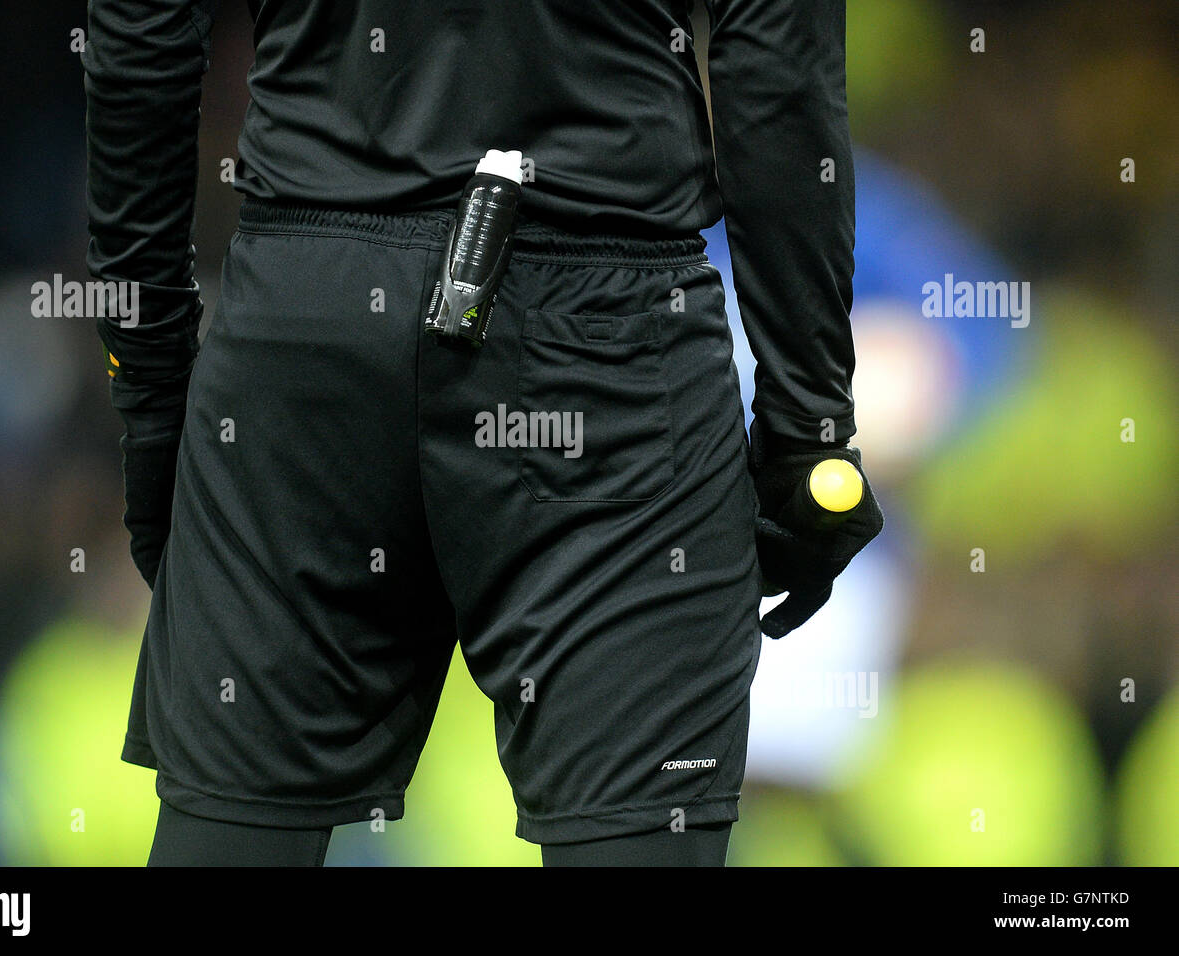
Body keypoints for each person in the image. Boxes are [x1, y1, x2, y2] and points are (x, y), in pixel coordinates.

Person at [84, 0, 883, 867]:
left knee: (227, 839)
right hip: (608, 343)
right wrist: (810, 428)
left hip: (302, 328)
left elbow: (140, 31)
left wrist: (152, 382)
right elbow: (775, 60)